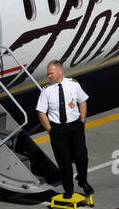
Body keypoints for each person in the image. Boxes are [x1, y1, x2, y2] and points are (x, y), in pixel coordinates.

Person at [35, 59, 93, 199]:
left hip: (75, 127)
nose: (49, 76)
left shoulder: (73, 84)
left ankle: (82, 180)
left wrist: (82, 121)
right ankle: (68, 189)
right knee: (64, 162)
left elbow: (83, 101)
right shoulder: (46, 90)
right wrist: (50, 130)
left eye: (51, 73)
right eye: (48, 74)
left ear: (60, 71)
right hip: (57, 130)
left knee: (82, 157)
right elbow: (41, 112)